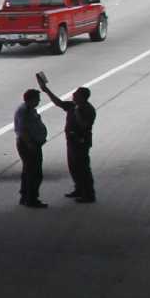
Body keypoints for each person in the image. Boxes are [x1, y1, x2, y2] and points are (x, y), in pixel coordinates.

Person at [38, 73, 96, 203]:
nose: (73, 95)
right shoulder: (73, 105)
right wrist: (46, 90)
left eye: (76, 94)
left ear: (83, 97)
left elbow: (84, 125)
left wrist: (76, 112)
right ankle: (79, 189)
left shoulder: (88, 109)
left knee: (83, 168)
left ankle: (88, 194)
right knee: (73, 167)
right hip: (71, 141)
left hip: (81, 142)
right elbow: (58, 103)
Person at [14, 88, 48, 208]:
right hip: (28, 145)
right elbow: (23, 130)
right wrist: (30, 144)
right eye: (37, 99)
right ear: (31, 100)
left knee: (28, 171)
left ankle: (25, 196)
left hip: (32, 143)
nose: (39, 101)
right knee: (34, 173)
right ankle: (31, 199)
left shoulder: (30, 109)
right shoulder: (24, 111)